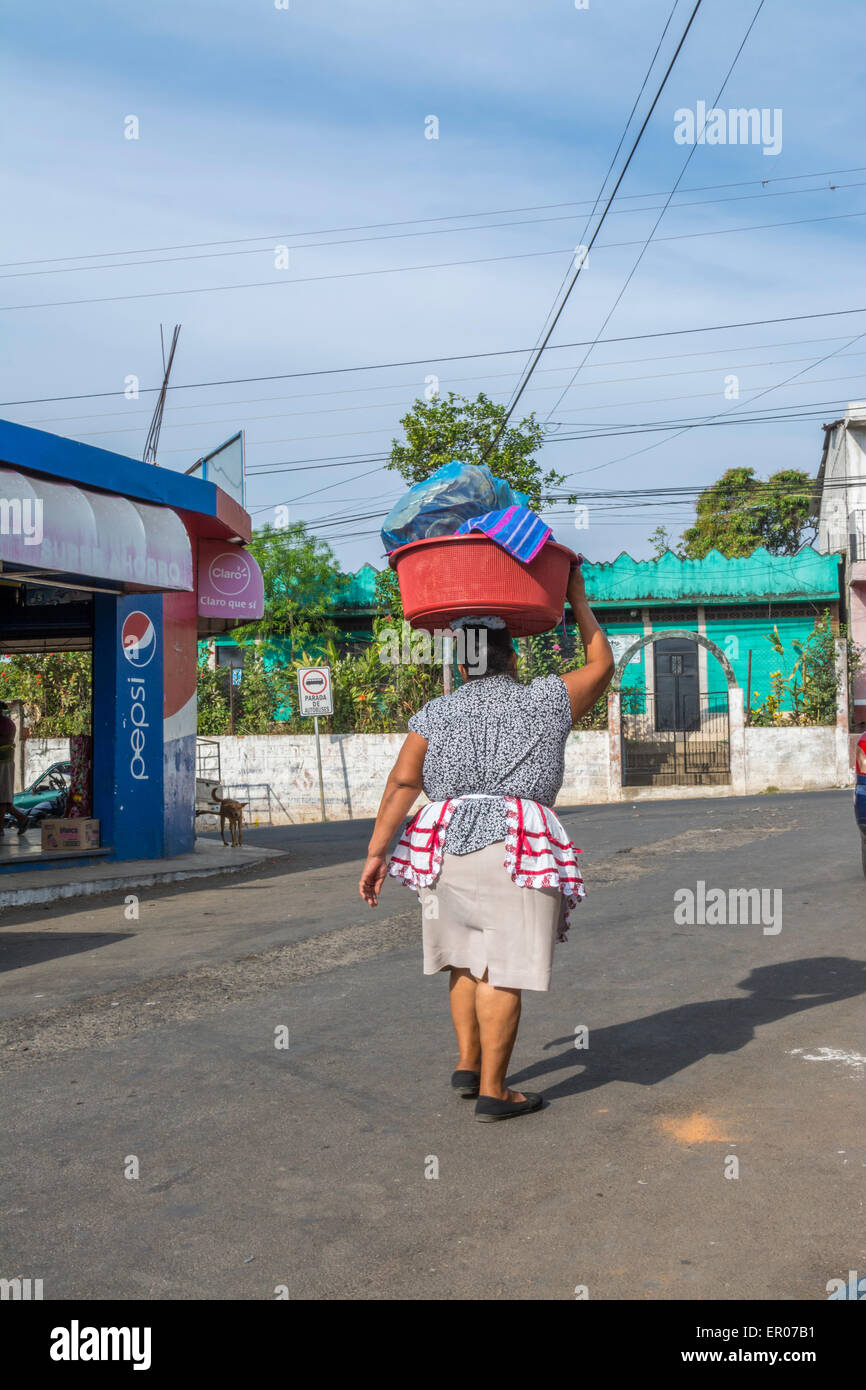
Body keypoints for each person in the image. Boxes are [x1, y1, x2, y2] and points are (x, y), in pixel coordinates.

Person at [359, 563, 614, 1122]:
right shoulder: (547, 700)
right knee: (503, 968)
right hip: (516, 844)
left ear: (463, 663)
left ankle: (468, 1064)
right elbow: (602, 664)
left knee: (465, 960)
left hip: (445, 844)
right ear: (512, 657)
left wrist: (378, 852)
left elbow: (403, 782)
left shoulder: (435, 713)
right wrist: (576, 598)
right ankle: (497, 1093)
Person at [0, 701, 29, 836]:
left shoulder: (4, 724)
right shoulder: (8, 722)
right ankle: (22, 819)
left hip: (3, 762)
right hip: (6, 761)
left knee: (2, 799)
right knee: (3, 798)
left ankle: (20, 819)